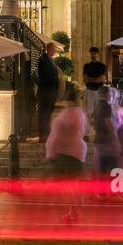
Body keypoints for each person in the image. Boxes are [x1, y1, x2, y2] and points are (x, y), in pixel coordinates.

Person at [46, 86, 88, 222]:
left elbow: (57, 135)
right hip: (77, 152)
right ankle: (73, 211)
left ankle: (72, 211)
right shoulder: (80, 113)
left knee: (65, 186)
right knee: (71, 185)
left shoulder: (66, 115)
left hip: (65, 153)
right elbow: (82, 131)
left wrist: (51, 152)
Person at [92, 97, 123, 186]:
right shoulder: (107, 108)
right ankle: (114, 193)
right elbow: (110, 125)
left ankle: (102, 193)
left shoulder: (98, 107)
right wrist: (116, 141)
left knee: (103, 167)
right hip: (108, 142)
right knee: (114, 166)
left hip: (100, 141)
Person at [36, 42, 61, 143]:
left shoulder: (50, 60)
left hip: (51, 91)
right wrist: (55, 83)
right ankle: (43, 136)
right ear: (49, 49)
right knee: (44, 114)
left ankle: (47, 135)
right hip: (47, 91)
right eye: (54, 49)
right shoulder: (43, 60)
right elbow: (46, 76)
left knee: (48, 115)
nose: (55, 51)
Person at [83, 47, 109, 119]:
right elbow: (85, 79)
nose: (92, 55)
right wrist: (96, 79)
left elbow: (102, 79)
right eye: (91, 54)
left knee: (98, 111)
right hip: (89, 90)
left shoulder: (102, 66)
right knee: (88, 111)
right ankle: (89, 128)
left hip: (99, 91)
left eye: (94, 54)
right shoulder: (87, 66)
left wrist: (90, 79)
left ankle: (97, 127)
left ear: (97, 54)